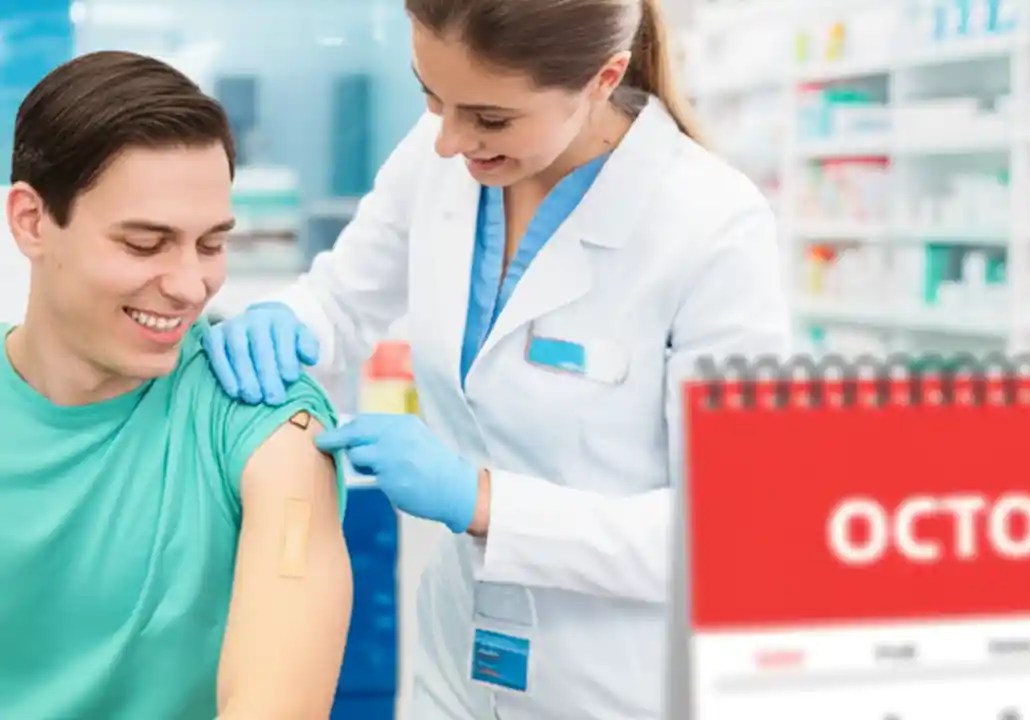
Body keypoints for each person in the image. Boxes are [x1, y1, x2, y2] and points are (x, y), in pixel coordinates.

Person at [202, 0, 791, 717]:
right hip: (454, 665)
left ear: (603, 79)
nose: (449, 141)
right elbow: (341, 299)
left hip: (615, 687)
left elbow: (736, 532)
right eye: (429, 95)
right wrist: (288, 319)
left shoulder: (711, 225)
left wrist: (482, 501)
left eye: (490, 119)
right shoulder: (439, 154)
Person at [0, 51, 353, 719]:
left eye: (212, 244)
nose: (191, 286)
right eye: (145, 244)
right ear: (32, 220)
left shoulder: (263, 423)